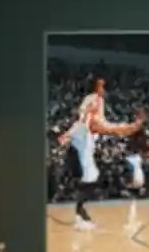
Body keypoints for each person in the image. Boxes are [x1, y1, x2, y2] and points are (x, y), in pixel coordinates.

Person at [56, 77, 144, 230]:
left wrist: (134, 126)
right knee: (89, 177)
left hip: (80, 152)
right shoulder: (84, 125)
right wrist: (65, 136)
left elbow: (114, 128)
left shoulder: (94, 121)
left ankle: (79, 209)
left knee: (92, 178)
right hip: (74, 154)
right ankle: (78, 208)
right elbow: (78, 126)